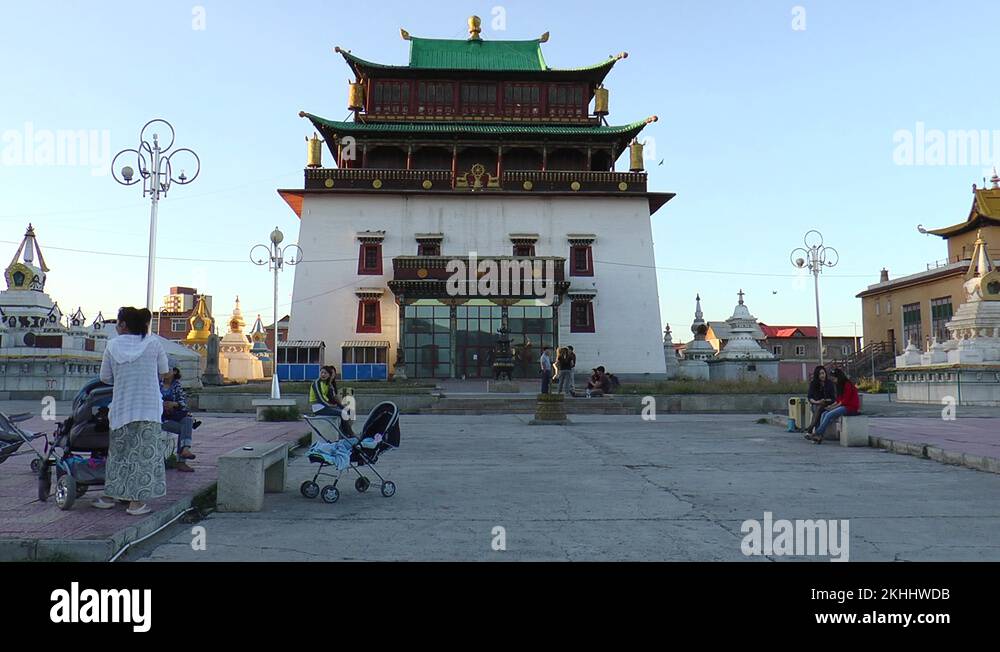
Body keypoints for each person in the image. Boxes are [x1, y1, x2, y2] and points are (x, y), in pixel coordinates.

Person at [94, 307, 169, 516]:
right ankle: (135, 503)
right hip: (148, 408)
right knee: (144, 456)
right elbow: (164, 372)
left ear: (124, 325)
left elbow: (105, 378)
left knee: (119, 454)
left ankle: (110, 496)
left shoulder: (112, 346)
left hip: (121, 408)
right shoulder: (153, 343)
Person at [160, 368, 199, 472]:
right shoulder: (156, 384)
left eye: (168, 369)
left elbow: (183, 404)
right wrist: (162, 404)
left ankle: (184, 451)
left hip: (173, 417)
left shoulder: (176, 386)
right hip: (160, 419)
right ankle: (183, 457)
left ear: (175, 372)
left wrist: (174, 404)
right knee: (185, 428)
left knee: (187, 420)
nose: (165, 371)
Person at [809, 369, 861, 444]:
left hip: (850, 407)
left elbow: (844, 401)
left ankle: (817, 433)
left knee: (829, 415)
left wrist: (833, 408)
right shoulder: (839, 386)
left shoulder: (847, 384)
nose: (834, 381)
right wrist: (830, 406)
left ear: (839, 377)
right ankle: (819, 437)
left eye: (834, 379)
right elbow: (838, 400)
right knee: (824, 414)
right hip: (844, 406)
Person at [310, 366, 354, 436]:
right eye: (322, 373)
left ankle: (344, 434)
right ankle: (349, 434)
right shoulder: (316, 383)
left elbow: (333, 397)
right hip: (318, 407)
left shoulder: (327, 384)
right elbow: (320, 398)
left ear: (329, 375)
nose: (323, 375)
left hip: (325, 406)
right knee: (343, 413)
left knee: (347, 412)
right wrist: (330, 405)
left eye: (325, 373)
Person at [801, 365, 836, 436]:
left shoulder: (830, 383)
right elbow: (810, 397)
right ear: (817, 375)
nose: (822, 375)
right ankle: (816, 434)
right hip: (816, 404)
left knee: (819, 409)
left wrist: (825, 400)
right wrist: (817, 402)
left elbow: (833, 398)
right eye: (820, 374)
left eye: (823, 373)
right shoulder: (813, 383)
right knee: (818, 408)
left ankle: (811, 429)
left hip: (827, 404)